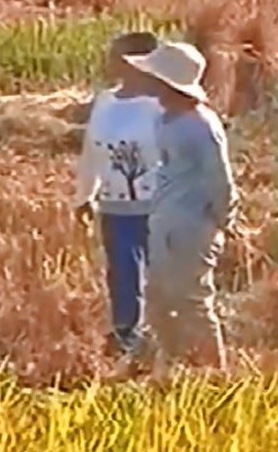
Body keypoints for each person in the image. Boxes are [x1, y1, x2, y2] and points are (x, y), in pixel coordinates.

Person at [122, 41, 239, 382]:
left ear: (168, 83)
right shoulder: (166, 119)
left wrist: (224, 221)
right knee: (158, 295)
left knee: (191, 300)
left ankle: (215, 377)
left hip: (190, 227)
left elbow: (221, 181)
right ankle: (155, 369)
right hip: (166, 221)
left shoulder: (200, 126)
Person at [73, 32, 164, 377]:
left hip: (158, 205)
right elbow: (91, 152)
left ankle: (163, 341)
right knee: (122, 274)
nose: (108, 60)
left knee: (162, 276)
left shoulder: (161, 105)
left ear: (132, 62)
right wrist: (85, 195)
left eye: (114, 55)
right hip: (115, 205)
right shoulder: (105, 102)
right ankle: (127, 337)